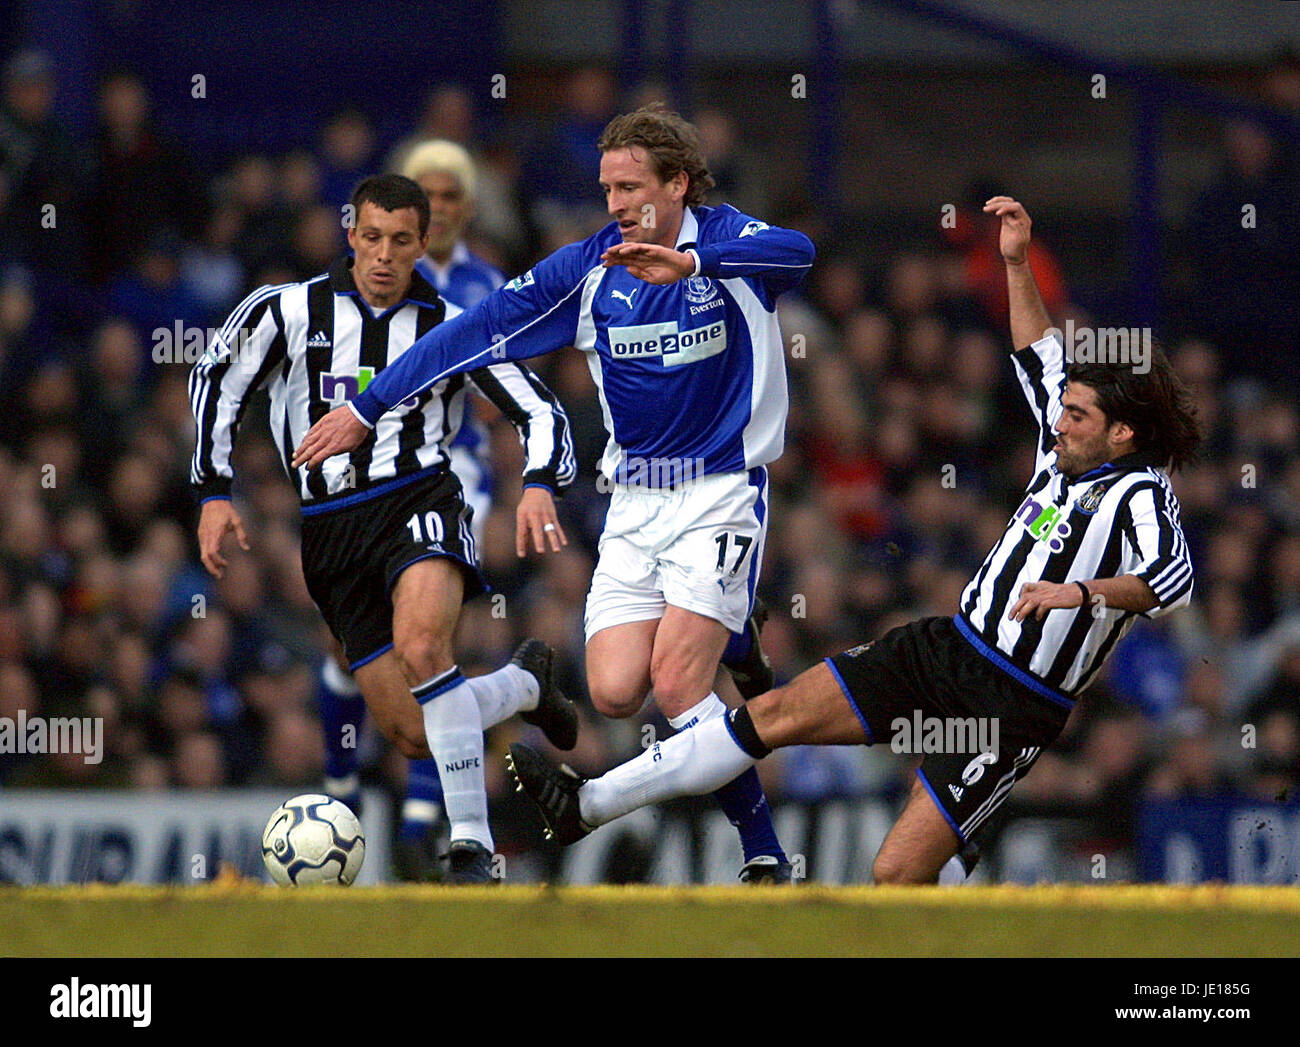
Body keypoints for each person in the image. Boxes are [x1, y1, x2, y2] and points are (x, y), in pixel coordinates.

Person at [503, 196, 1202, 885]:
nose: (1059, 421)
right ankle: (587, 803)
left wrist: (1077, 593)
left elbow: (1173, 581)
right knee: (769, 715)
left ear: (1123, 434)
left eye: (1077, 415)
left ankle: (957, 866)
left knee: (896, 874)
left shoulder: (1140, 493)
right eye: (1066, 408)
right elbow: (1037, 348)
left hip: (1011, 703)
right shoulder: (1069, 440)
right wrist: (1015, 262)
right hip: (947, 647)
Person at [293, 105, 816, 882]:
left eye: (630, 186)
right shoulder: (591, 267)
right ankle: (737, 636)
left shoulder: (730, 240)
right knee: (611, 691)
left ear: (678, 185)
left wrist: (698, 268)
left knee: (677, 684)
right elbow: (469, 332)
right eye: (605, 187)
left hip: (719, 492)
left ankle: (764, 853)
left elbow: (800, 252)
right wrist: (368, 407)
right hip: (633, 504)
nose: (613, 204)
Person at [191, 173, 579, 884]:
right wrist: (214, 491)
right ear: (351, 235)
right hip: (330, 532)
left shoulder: (455, 322)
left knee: (424, 644)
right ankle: (523, 684)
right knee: (410, 731)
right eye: (371, 237)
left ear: (422, 243)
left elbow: (539, 407)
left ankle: (469, 846)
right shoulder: (289, 309)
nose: (383, 255)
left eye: (401, 241)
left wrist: (538, 484)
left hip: (419, 499)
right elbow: (219, 378)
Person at [316, 141, 516, 878]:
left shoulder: (485, 286)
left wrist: (501, 491)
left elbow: (502, 402)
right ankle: (344, 788)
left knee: (425, 650)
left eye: (450, 194)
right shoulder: (343, 293)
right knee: (358, 662)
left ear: (451, 212)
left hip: (439, 480)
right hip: (352, 492)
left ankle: (426, 820)